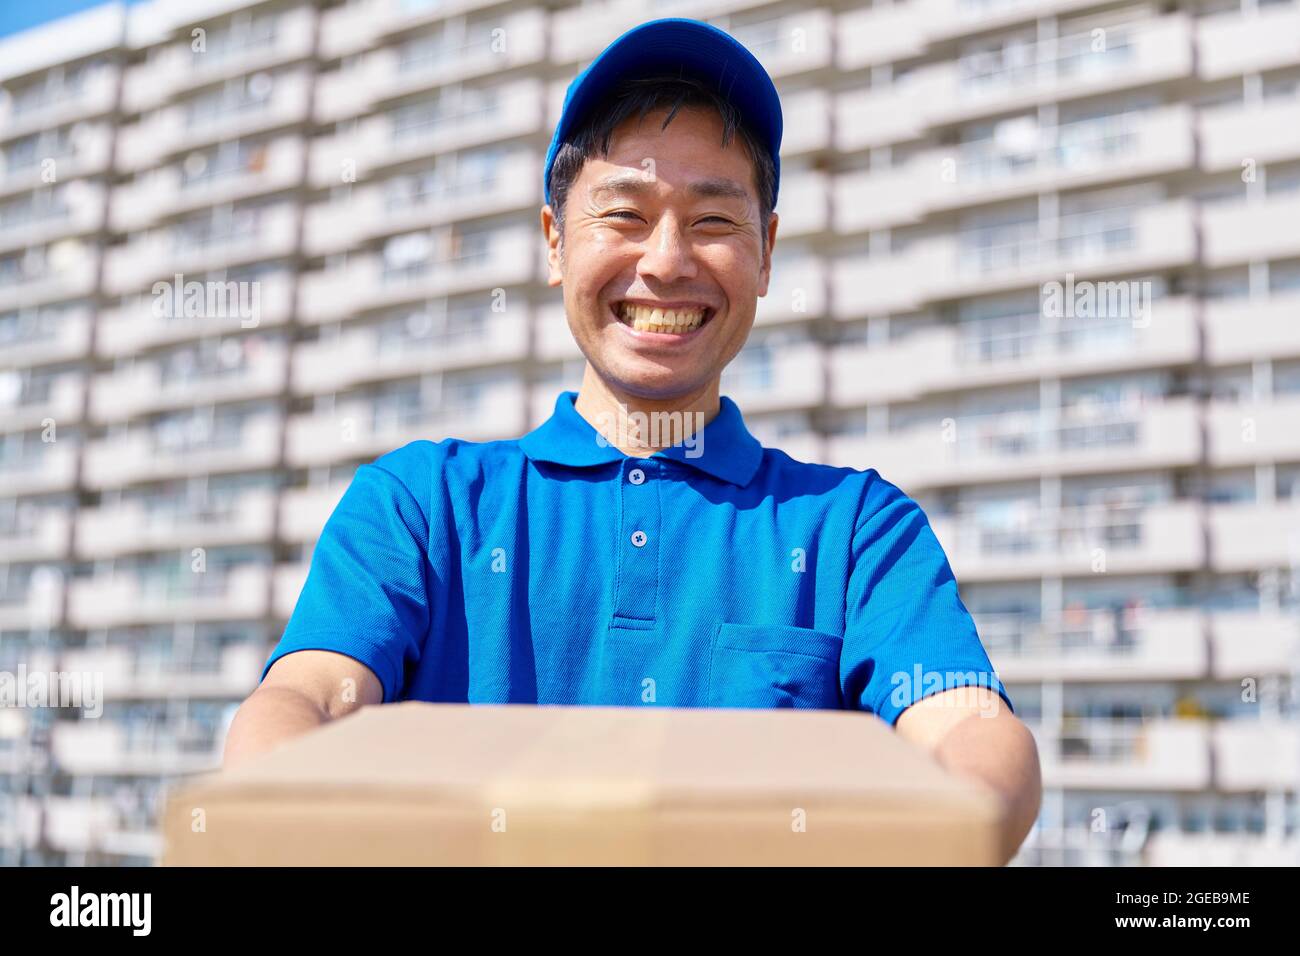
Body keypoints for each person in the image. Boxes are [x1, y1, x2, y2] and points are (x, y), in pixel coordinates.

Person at [224, 17, 1041, 864]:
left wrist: (956, 820)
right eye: (625, 213)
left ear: (766, 256)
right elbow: (309, 696)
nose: (666, 261)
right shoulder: (420, 506)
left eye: (714, 222)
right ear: (555, 243)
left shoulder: (856, 529)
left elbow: (970, 730)